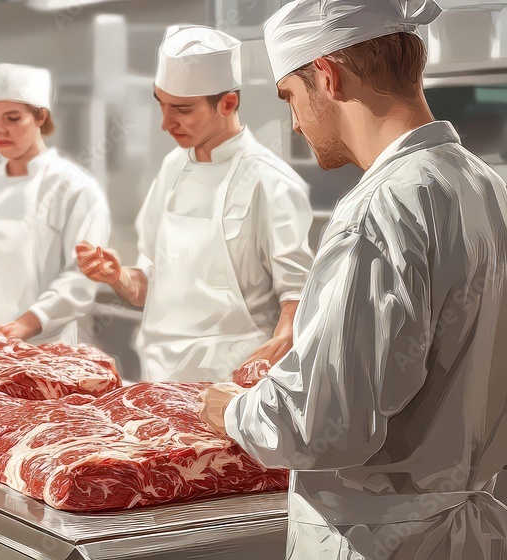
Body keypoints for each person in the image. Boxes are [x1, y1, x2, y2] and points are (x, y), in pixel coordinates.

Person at [200, 0, 507, 557]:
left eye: (290, 97)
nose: (295, 122)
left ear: (327, 75)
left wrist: (234, 411)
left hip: (381, 544)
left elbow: (327, 425)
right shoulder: (487, 187)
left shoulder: (381, 210)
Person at [78, 26, 314, 382]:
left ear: (228, 104)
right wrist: (118, 277)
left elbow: (298, 300)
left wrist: (271, 363)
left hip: (232, 388)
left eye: (182, 109)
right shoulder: (172, 169)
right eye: (161, 104)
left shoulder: (270, 181)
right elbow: (149, 286)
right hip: (158, 384)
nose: (165, 123)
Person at [0, 63, 111, 344]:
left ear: (40, 116)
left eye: (13, 118)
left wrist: (29, 322)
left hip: (41, 351)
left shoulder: (75, 188)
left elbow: (82, 276)